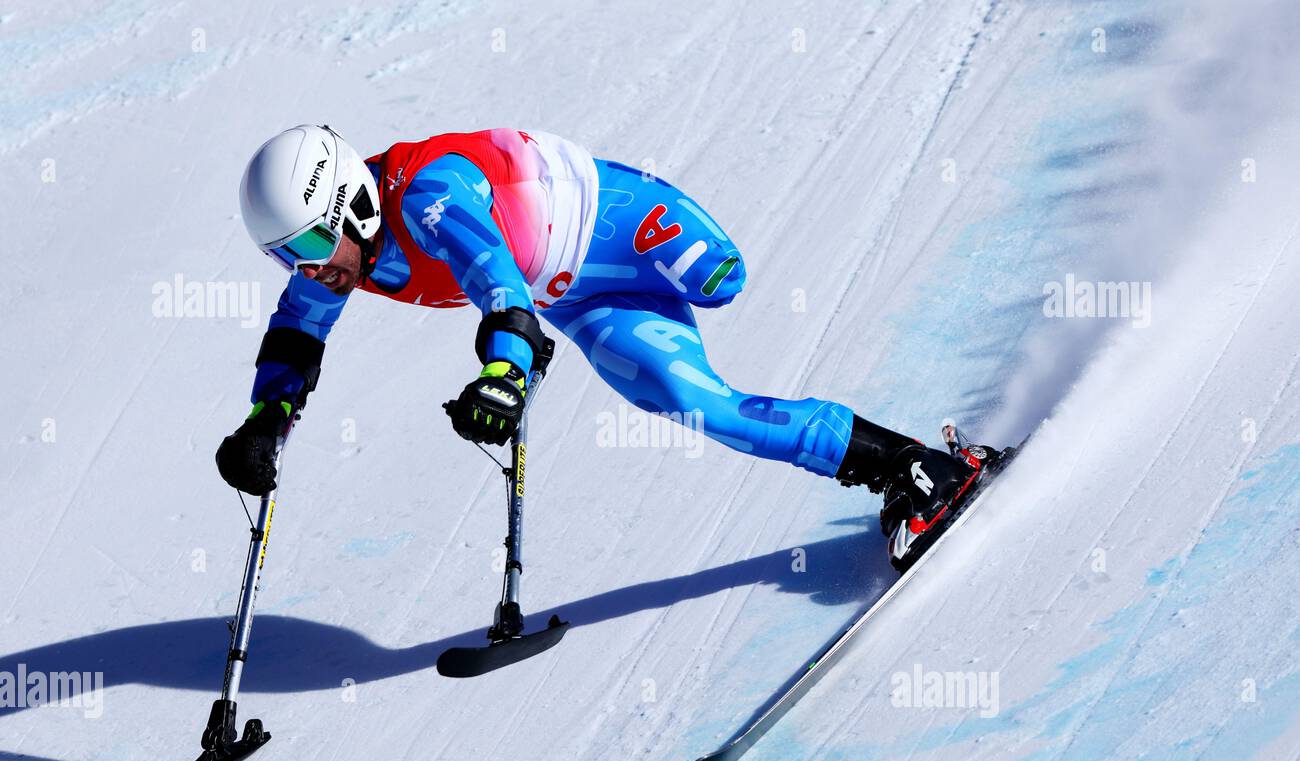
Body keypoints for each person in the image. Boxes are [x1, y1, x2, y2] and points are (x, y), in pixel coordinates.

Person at [218, 125, 982, 567]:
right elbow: (297, 331)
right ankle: (909, 469)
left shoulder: (427, 195)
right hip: (581, 294)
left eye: (314, 243)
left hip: (624, 226)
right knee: (693, 404)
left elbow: (497, 285)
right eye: (287, 255)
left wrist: (505, 371)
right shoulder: (341, 255)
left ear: (349, 199)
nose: (311, 267)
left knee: (724, 276)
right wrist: (264, 421)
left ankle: (918, 468)